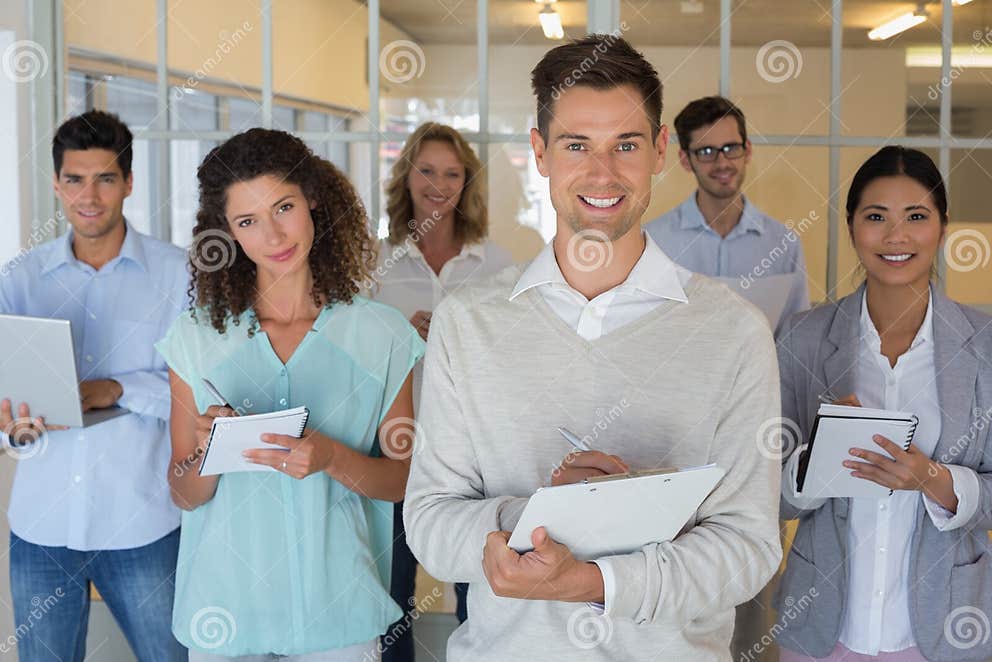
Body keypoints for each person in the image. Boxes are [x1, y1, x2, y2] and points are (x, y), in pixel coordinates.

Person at [403, 35, 782, 661]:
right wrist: (550, 518)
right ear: (540, 153)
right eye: (577, 145)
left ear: (660, 152)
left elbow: (749, 548)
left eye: (626, 146)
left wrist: (596, 579)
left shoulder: (734, 332)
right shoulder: (465, 323)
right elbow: (430, 523)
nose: (602, 174)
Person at [156, 128, 425, 660]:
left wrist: (332, 457)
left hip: (338, 613)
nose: (274, 236)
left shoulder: (383, 335)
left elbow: (401, 483)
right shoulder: (195, 337)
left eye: (284, 207)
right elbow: (182, 492)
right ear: (227, 232)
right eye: (247, 221)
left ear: (313, 202)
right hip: (225, 614)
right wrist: (211, 454)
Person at [775, 146, 992, 661]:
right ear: (851, 226)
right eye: (876, 217)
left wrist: (934, 480)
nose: (896, 237)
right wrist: (817, 460)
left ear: (942, 227)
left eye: (916, 217)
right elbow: (762, 494)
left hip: (946, 631)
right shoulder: (802, 338)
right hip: (821, 629)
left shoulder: (985, 345)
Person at [0, 110, 187, 660]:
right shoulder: (17, 280)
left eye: (105, 178)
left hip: (144, 521)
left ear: (129, 183)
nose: (90, 196)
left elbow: (195, 392)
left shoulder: (179, 275)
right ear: (56, 184)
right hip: (42, 524)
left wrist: (115, 389)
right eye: (75, 179)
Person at [372, 122, 512, 658]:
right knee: (392, 600)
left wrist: (460, 337)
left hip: (474, 455)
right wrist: (395, 336)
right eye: (426, 170)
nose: (438, 183)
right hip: (395, 450)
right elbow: (353, 356)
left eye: (451, 174)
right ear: (406, 177)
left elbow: (513, 362)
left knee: (478, 595)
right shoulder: (373, 263)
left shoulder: (497, 265)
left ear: (466, 185)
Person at [644, 96, 809, 332]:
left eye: (731, 148)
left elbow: (796, 335)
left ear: (747, 151)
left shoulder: (783, 243)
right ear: (686, 160)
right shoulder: (653, 241)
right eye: (706, 151)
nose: (722, 163)